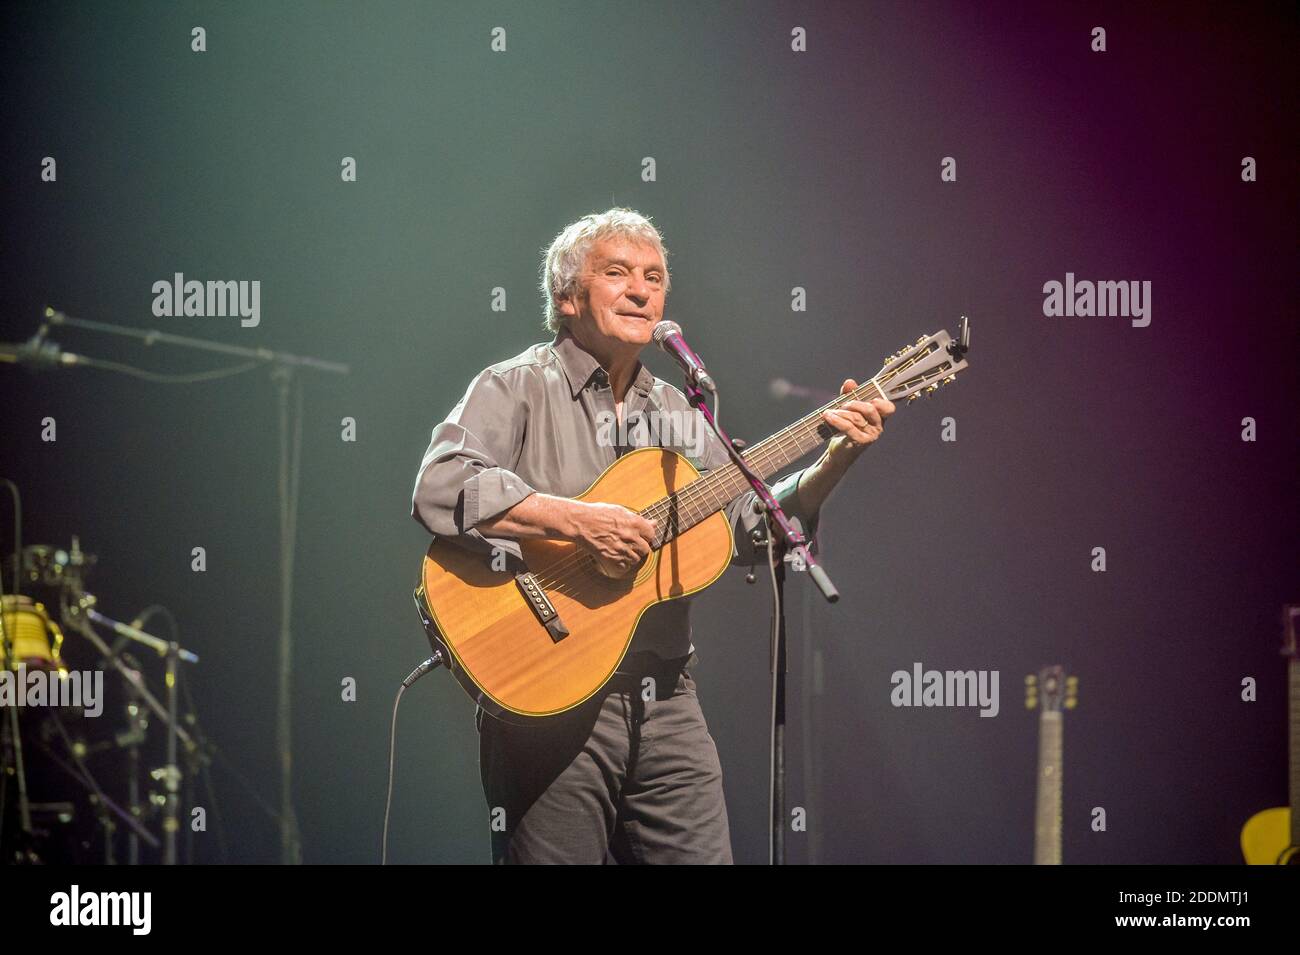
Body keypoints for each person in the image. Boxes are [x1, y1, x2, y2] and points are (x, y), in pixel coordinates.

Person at [411, 208, 894, 863]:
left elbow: (753, 530)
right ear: (567, 296)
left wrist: (835, 457)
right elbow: (440, 485)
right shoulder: (516, 386)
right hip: (545, 689)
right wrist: (579, 522)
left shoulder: (679, 410)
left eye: (654, 277)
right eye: (617, 272)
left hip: (667, 699)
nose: (641, 289)